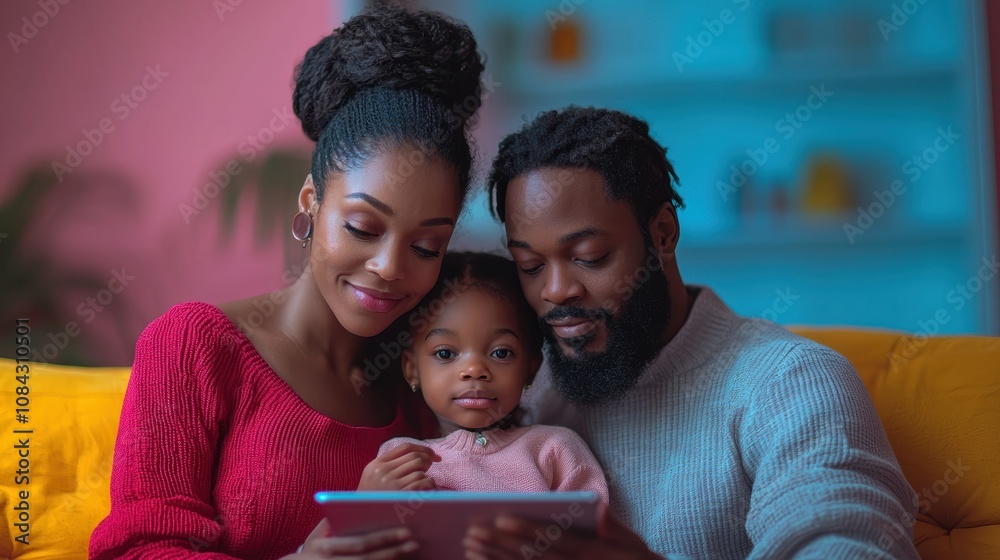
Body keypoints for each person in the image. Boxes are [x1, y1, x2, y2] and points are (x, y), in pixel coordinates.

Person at [89, 4, 485, 559]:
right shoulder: (195, 345)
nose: (390, 266)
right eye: (362, 227)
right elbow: (138, 550)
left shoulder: (420, 380)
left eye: (425, 247)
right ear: (310, 203)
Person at [463, 107, 920, 559]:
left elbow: (848, 546)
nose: (555, 291)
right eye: (531, 266)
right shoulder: (525, 390)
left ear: (662, 233)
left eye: (590, 256)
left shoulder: (790, 383)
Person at [358, 252, 609, 506]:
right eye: (445, 353)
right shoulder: (402, 462)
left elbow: (595, 537)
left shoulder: (554, 451)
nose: (474, 370)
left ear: (530, 368)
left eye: (501, 352)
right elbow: (370, 542)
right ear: (412, 369)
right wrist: (365, 503)